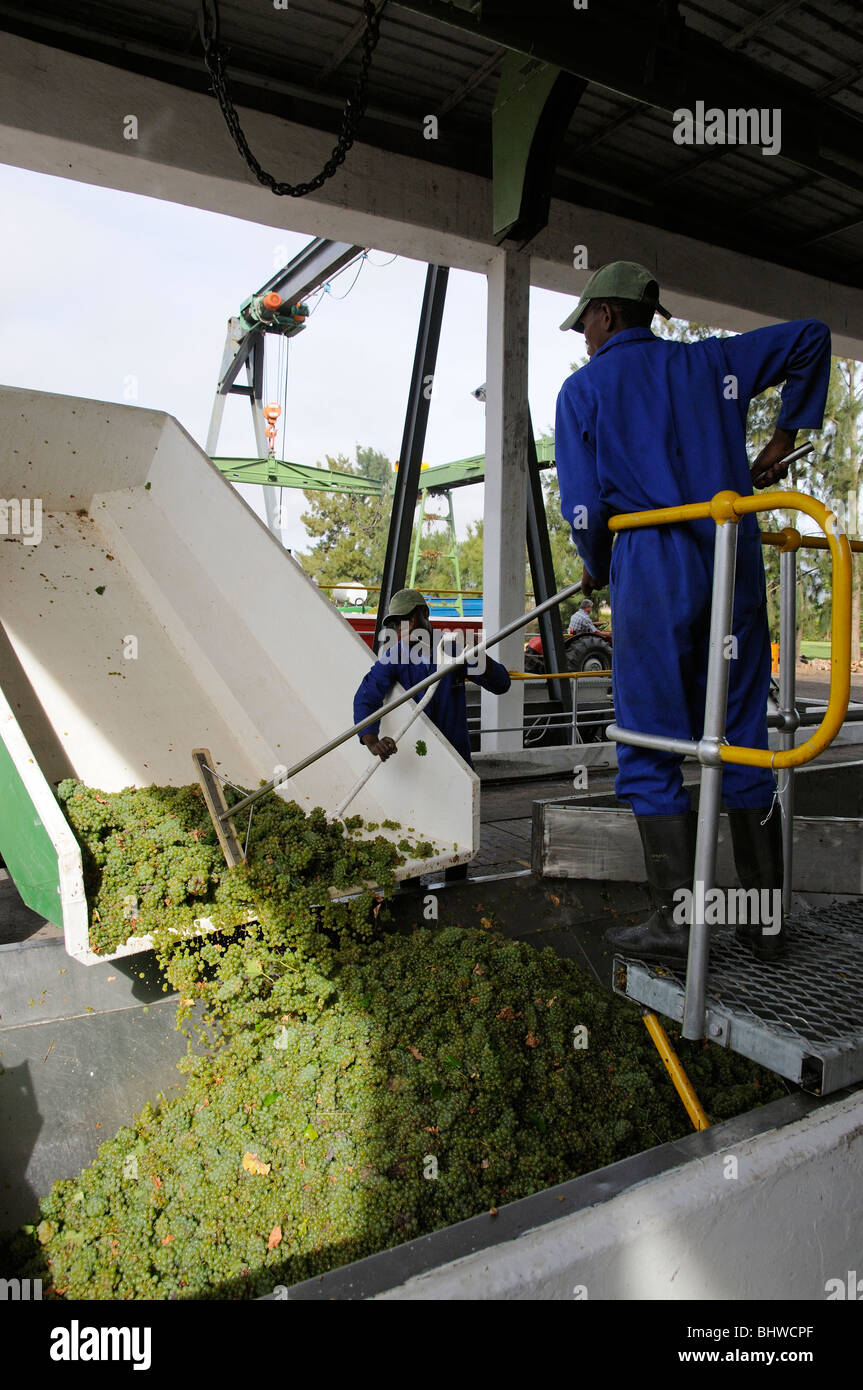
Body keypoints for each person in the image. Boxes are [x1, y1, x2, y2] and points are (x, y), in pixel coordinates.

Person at [555, 261, 831, 965]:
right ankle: (765, 921)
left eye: (584, 324)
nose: (582, 338)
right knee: (739, 732)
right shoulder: (714, 362)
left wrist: (596, 562)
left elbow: (584, 506)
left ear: (606, 316)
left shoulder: (583, 388)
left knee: (648, 742)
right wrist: (777, 441)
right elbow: (810, 337)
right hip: (730, 557)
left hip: (650, 563)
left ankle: (678, 923)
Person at [353, 588, 511, 770]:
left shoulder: (455, 649)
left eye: (409, 619)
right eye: (397, 624)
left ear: (425, 613)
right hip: (418, 760)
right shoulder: (394, 657)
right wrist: (372, 741)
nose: (403, 628)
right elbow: (366, 696)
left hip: (457, 758)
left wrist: (477, 654)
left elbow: (502, 684)